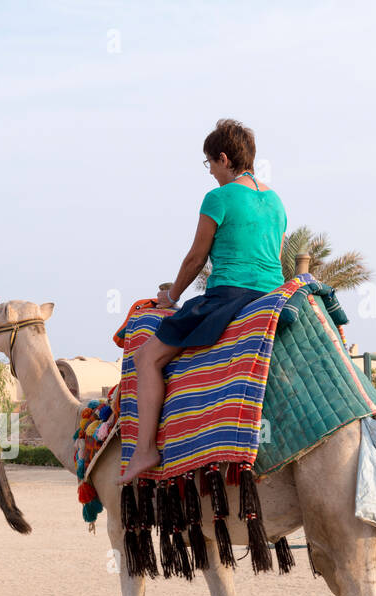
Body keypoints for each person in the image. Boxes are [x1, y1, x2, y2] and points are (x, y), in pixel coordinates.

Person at [119, 119, 288, 484]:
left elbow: (196, 258)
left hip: (228, 296)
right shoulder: (276, 202)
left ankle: (145, 449)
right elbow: (274, 254)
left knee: (146, 357)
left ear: (224, 159)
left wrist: (171, 295)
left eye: (209, 163)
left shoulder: (219, 198)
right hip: (272, 297)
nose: (210, 172)